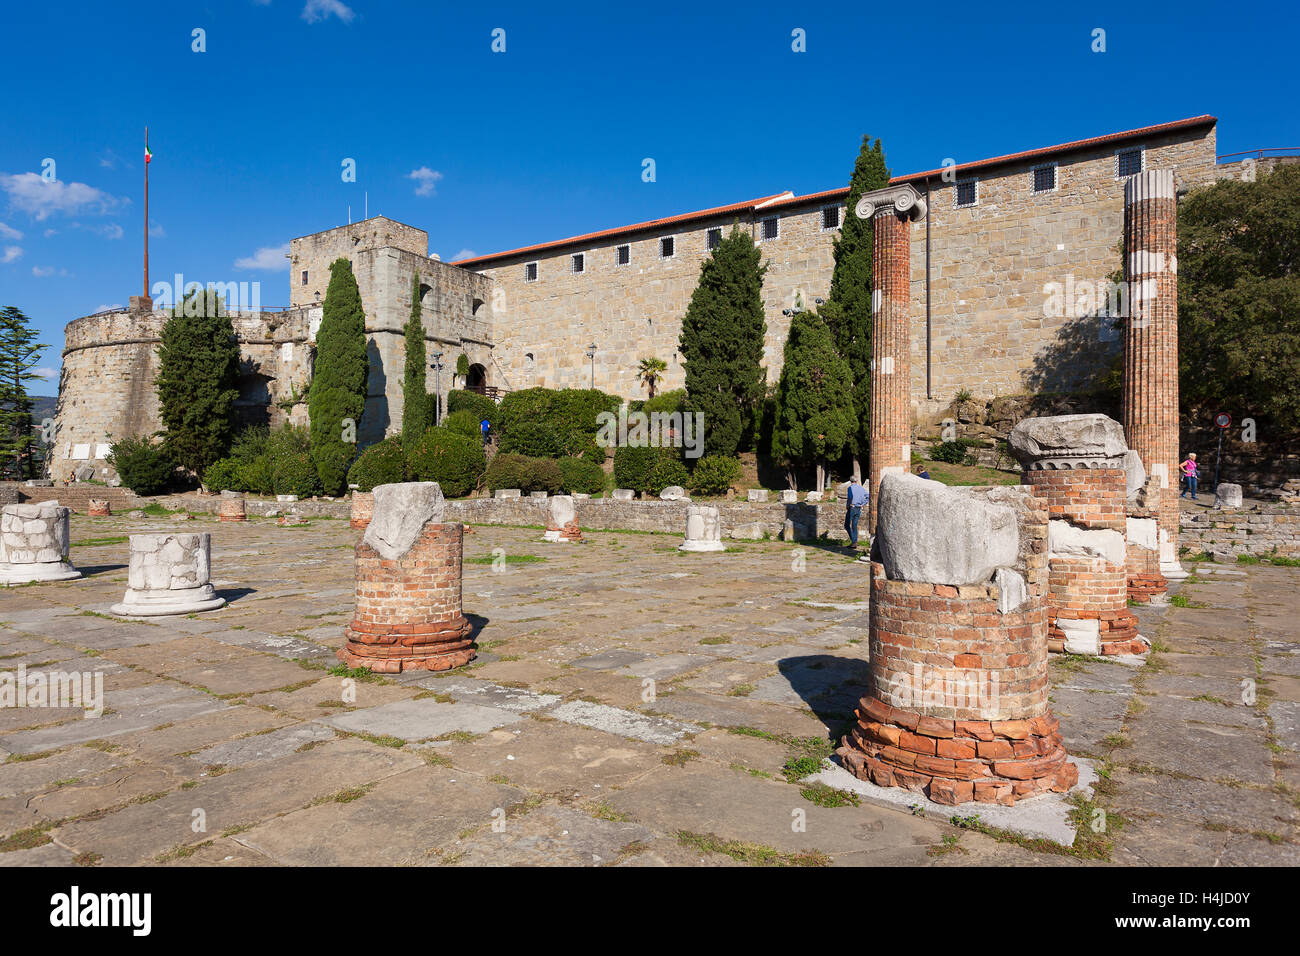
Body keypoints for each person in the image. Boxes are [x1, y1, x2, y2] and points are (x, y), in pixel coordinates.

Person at [845, 477, 868, 548]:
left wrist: (847, 505)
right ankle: (854, 542)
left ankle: (854, 541)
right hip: (858, 508)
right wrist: (863, 504)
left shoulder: (850, 488)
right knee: (854, 525)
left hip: (852, 507)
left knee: (847, 525)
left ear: (850, 481)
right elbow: (868, 496)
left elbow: (850, 497)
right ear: (857, 481)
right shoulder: (861, 488)